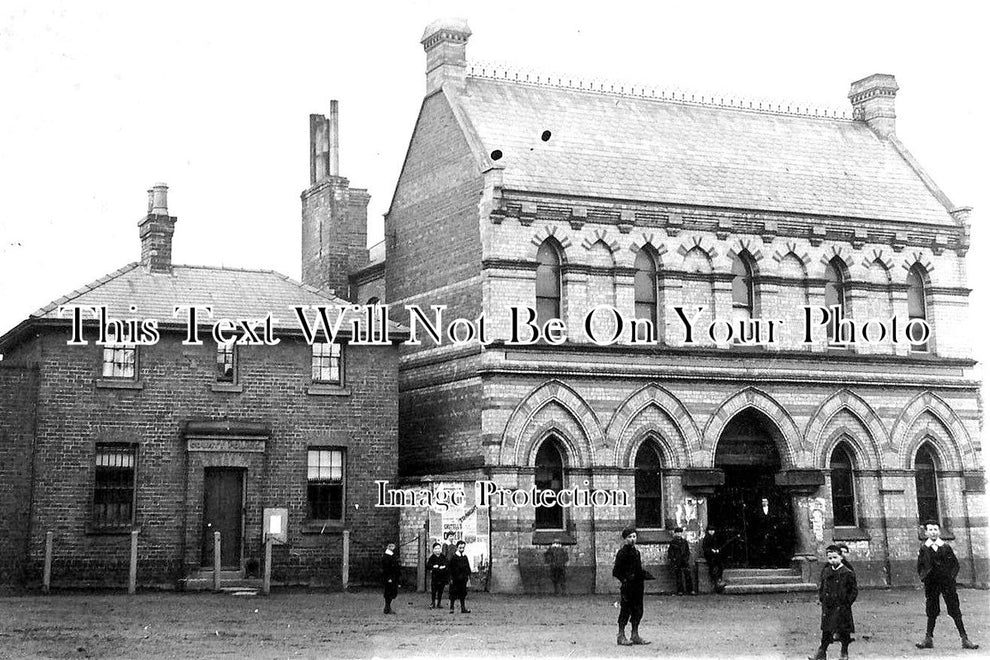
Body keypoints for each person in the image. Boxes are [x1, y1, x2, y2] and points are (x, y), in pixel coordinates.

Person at [915, 520, 979, 650]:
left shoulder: (945, 547)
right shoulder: (924, 549)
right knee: (932, 610)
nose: (933, 532)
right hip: (932, 584)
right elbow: (920, 566)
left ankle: (964, 638)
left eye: (935, 529)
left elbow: (955, 565)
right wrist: (925, 578)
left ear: (939, 532)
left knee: (954, 609)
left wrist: (950, 578)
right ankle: (928, 638)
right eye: (930, 530)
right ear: (926, 532)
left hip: (946, 583)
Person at [810, 545, 857, 660]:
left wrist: (847, 602)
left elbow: (853, 590)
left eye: (835, 557)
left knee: (844, 631)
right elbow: (822, 586)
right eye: (830, 558)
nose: (832, 561)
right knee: (826, 631)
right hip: (829, 606)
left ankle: (844, 652)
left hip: (842, 607)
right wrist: (822, 598)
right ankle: (822, 652)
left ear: (841, 557)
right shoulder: (826, 571)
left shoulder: (847, 573)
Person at [612, 526, 652, 646]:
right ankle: (621, 635)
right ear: (625, 539)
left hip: (638, 586)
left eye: (634, 536)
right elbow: (616, 571)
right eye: (630, 537)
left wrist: (643, 574)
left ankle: (635, 634)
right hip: (628, 587)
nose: (632, 539)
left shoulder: (636, 553)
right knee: (626, 609)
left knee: (638, 610)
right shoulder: (622, 553)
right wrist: (625, 580)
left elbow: (638, 569)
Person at [667, 527, 694, 595]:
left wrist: (686, 558)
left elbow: (687, 551)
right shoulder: (673, 542)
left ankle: (690, 590)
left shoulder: (684, 542)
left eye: (680, 533)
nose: (679, 534)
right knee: (678, 576)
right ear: (675, 534)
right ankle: (680, 590)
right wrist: (674, 559)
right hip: (677, 561)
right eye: (677, 533)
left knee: (688, 575)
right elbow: (670, 552)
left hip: (684, 560)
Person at [448, 540, 472, 614]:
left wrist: (468, 576)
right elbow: (450, 568)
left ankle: (463, 608)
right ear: (457, 548)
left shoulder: (465, 557)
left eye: (463, 547)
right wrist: (451, 578)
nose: (462, 549)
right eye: (460, 547)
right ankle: (452, 608)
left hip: (463, 579)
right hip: (456, 579)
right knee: (453, 593)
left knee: (463, 593)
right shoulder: (454, 557)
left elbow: (468, 567)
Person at [702, 526, 724, 593]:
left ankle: (719, 579)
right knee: (712, 566)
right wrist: (711, 550)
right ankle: (716, 582)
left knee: (720, 566)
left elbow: (719, 546)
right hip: (709, 556)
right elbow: (705, 548)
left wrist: (718, 550)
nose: (712, 532)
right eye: (710, 531)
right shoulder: (706, 538)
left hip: (716, 555)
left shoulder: (716, 538)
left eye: (713, 530)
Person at [426, 542, 448, 609]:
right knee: (434, 590)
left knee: (440, 590)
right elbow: (428, 566)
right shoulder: (432, 557)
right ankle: (433, 602)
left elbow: (447, 564)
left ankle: (439, 603)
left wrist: (443, 567)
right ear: (433, 550)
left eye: (439, 548)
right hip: (435, 577)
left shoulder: (443, 557)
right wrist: (433, 566)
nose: (437, 550)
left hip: (442, 576)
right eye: (436, 548)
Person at [381, 542, 401, 615]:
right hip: (389, 577)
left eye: (393, 546)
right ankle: (387, 607)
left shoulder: (393, 555)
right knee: (389, 592)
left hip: (394, 576)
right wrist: (388, 577)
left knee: (393, 592)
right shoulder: (386, 556)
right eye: (390, 546)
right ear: (387, 547)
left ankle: (388, 607)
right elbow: (386, 568)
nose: (392, 548)